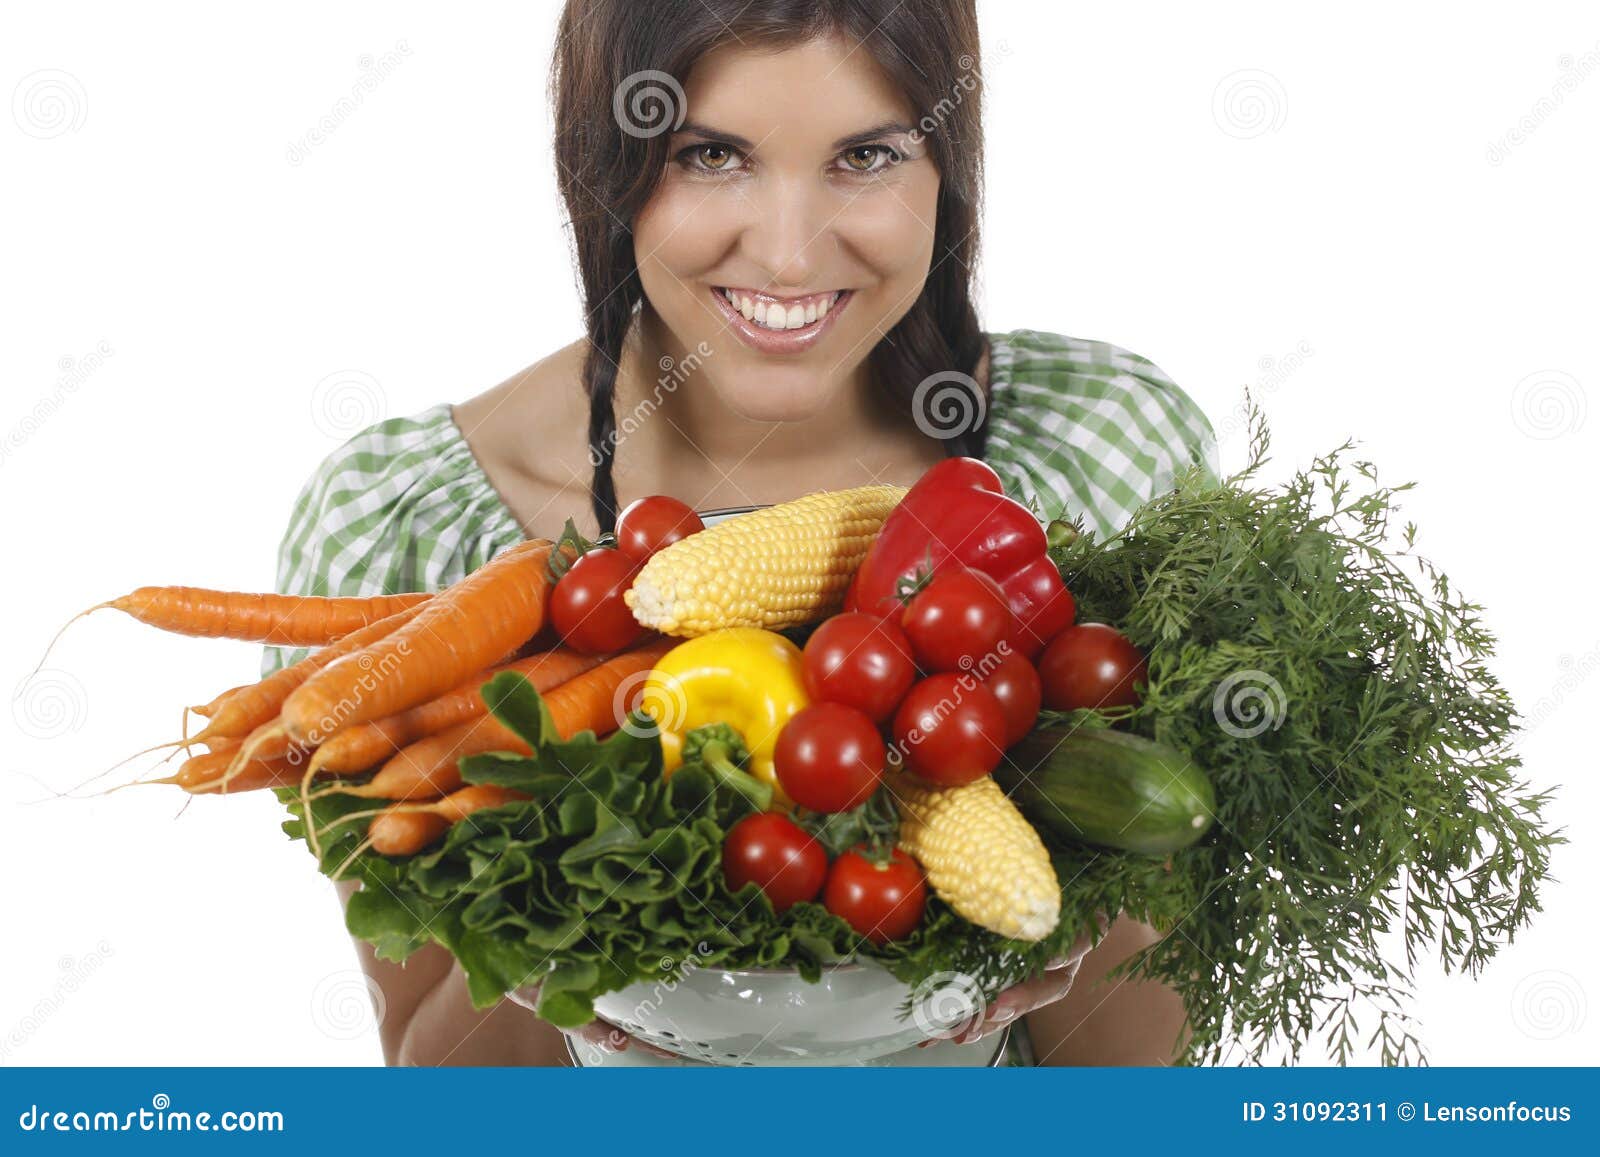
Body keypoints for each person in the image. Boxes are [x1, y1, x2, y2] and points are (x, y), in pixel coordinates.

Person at [267, 0, 1214, 1067]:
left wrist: (1084, 915)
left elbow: (1142, 1086)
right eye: (712, 155)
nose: (788, 255)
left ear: (948, 161)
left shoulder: (1109, 460)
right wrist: (541, 941)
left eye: (866, 154)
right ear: (602, 160)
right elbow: (445, 1090)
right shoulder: (404, 532)